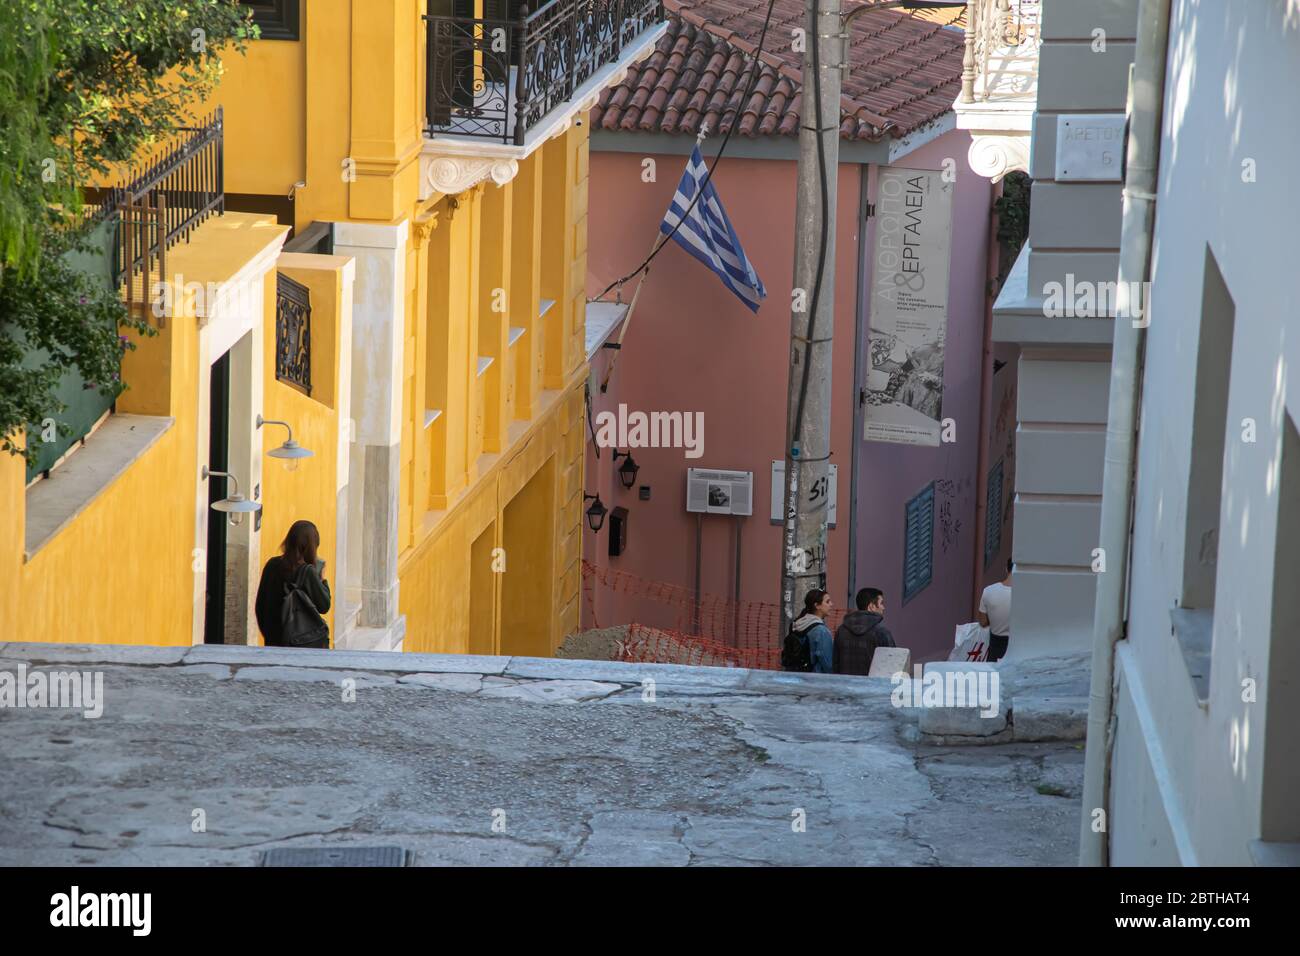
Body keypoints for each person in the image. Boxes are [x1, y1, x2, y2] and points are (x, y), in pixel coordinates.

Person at [255, 520, 332, 648]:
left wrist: (269, 636)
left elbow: (260, 606)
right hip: (301, 644)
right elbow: (324, 606)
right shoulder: (307, 572)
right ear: (311, 546)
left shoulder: (271, 565)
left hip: (273, 642)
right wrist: (323, 578)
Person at [833, 587, 897, 676]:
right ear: (871, 607)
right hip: (873, 687)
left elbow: (835, 665)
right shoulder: (881, 632)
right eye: (881, 603)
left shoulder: (841, 630)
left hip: (846, 686)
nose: (884, 607)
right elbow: (893, 666)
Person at [790, 588, 835, 674]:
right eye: (827, 601)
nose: (831, 604)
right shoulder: (822, 632)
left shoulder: (797, 624)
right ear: (817, 606)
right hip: (815, 680)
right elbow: (828, 664)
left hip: (796, 676)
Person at [979, 558, 1013, 662]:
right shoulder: (1027, 595)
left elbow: (983, 622)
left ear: (1006, 569)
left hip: (996, 647)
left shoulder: (988, 591)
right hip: (1016, 647)